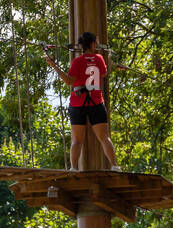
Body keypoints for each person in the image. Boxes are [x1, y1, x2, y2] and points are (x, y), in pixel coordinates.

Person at [43, 32, 120, 172]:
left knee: (77, 140)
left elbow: (68, 81)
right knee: (104, 138)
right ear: (92, 44)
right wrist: (107, 57)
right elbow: (103, 74)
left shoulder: (77, 61)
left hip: (78, 102)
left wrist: (53, 65)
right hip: (96, 101)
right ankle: (115, 166)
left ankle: (73, 168)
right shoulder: (99, 58)